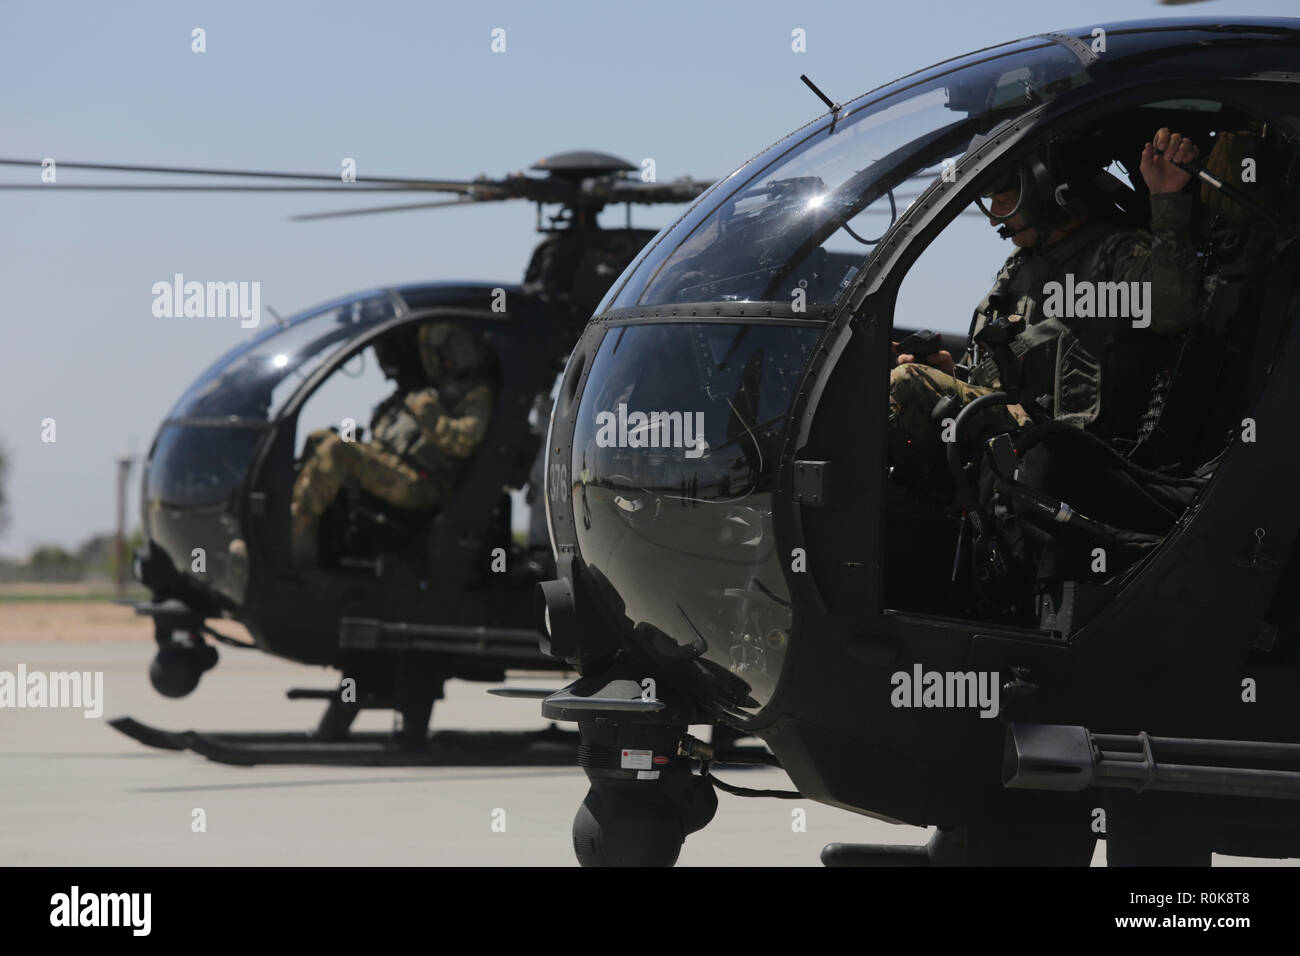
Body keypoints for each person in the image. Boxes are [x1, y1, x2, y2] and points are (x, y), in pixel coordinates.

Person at [888, 127, 1202, 495]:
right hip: (1015, 446)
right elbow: (1011, 379)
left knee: (908, 383)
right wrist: (952, 375)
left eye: (1004, 200)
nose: (993, 218)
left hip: (1068, 452)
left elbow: (1174, 311)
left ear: (1043, 189)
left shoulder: (1115, 255)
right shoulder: (1019, 270)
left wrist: (1166, 201)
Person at [290, 322, 495, 566]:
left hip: (423, 483)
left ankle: (290, 537)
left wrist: (429, 415)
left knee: (337, 450)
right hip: (397, 464)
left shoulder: (478, 395)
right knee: (319, 438)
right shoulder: (435, 388)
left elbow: (464, 443)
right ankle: (306, 530)